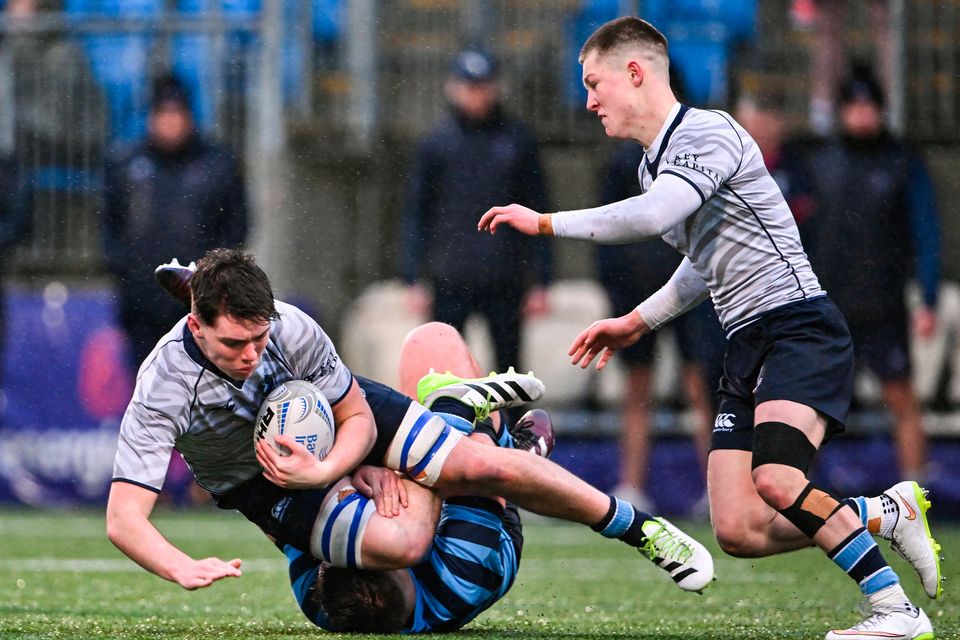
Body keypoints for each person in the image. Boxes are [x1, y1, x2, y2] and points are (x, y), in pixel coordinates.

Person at [478, 17, 941, 640]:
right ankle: (885, 512)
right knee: (740, 531)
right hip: (746, 341)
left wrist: (545, 224)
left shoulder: (708, 132)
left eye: (594, 83)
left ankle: (895, 612)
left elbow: (653, 216)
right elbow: (701, 266)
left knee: (778, 480)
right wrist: (634, 323)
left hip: (797, 327)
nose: (589, 101)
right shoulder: (654, 165)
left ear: (635, 74)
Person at [107, 248, 714, 595]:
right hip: (259, 484)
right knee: (405, 540)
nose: (253, 354)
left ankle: (639, 529)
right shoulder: (163, 388)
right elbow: (123, 520)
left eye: (259, 338)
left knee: (476, 466)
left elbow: (357, 419)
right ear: (195, 325)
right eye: (236, 342)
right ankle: (471, 413)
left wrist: (335, 465)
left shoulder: (288, 328)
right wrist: (179, 565)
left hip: (325, 436)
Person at [285, 325, 553, 634]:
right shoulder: (461, 579)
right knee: (441, 345)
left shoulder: (316, 593)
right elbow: (481, 468)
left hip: (409, 510)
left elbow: (277, 514)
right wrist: (459, 414)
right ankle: (519, 454)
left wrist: (357, 469)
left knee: (427, 341)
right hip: (489, 512)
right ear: (398, 561)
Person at [803, 69, 942, 483]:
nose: (862, 116)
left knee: (902, 400)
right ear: (842, 111)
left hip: (883, 305)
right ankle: (795, 493)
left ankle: (916, 491)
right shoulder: (820, 162)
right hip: (829, 307)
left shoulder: (903, 162)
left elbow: (926, 233)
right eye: (854, 107)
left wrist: (928, 299)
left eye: (869, 107)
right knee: (810, 404)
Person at [400, 47, 552, 376]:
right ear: (453, 87)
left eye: (482, 86)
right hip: (450, 277)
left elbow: (538, 211)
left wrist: (541, 279)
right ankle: (448, 429)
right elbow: (417, 212)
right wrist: (413, 277)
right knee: (443, 372)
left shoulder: (518, 141)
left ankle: (514, 429)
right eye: (469, 86)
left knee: (512, 372)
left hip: (504, 277)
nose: (476, 96)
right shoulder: (436, 144)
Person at [596, 141, 725, 512]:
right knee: (638, 388)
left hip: (690, 290)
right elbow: (606, 226)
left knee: (703, 386)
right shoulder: (621, 161)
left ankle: (717, 487)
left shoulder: (693, 154)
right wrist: (615, 287)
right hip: (635, 290)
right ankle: (632, 486)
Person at [101, 73, 248, 371]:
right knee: (147, 381)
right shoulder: (126, 164)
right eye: (162, 114)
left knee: (202, 381)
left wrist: (214, 275)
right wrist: (124, 269)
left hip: (200, 299)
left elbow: (237, 223)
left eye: (176, 114)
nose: (169, 122)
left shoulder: (216, 164)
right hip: (141, 298)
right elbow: (109, 223)